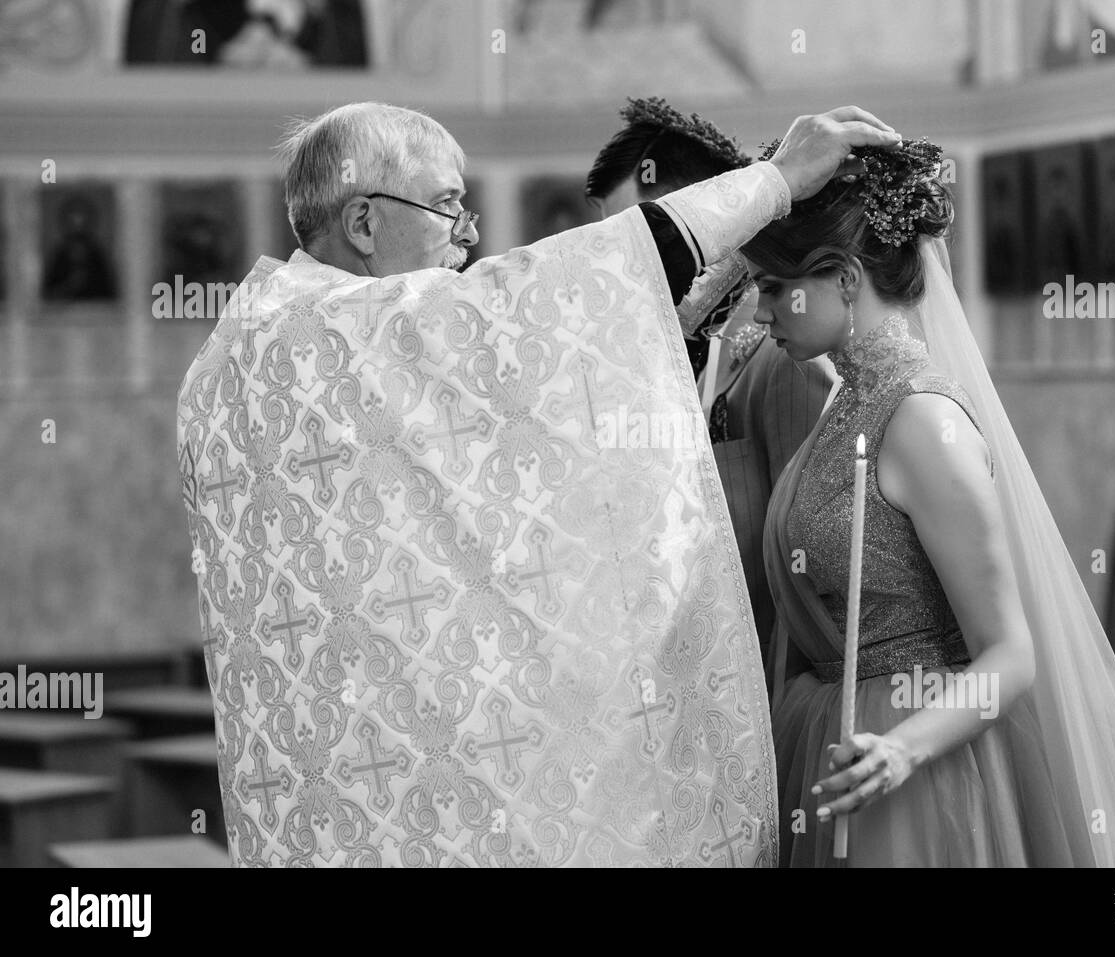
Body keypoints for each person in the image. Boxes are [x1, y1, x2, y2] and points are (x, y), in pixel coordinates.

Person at [175, 101, 900, 867]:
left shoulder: (233, 357)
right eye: (448, 205)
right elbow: (581, 287)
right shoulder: (365, 328)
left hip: (317, 791)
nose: (469, 234)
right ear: (361, 222)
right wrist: (779, 180)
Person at [743, 138, 1115, 866]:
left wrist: (899, 751)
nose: (760, 309)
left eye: (774, 286)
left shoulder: (922, 419)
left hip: (914, 771)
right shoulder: (845, 405)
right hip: (833, 745)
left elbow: (1011, 653)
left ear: (841, 278)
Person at [586, 97, 835, 673]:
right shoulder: (659, 344)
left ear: (707, 221)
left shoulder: (783, 353)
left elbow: (812, 566)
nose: (617, 269)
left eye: (644, 245)